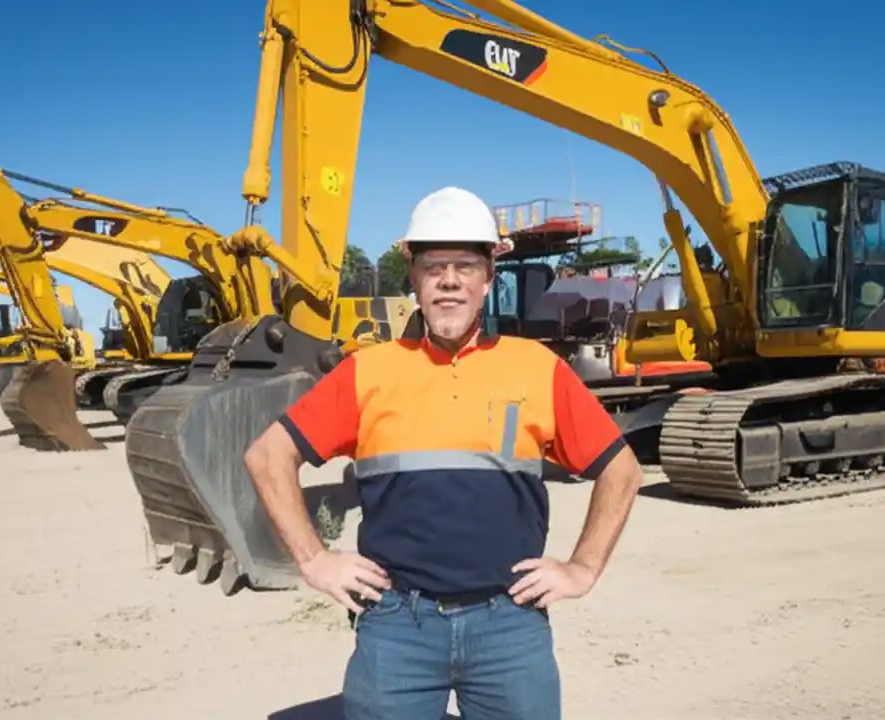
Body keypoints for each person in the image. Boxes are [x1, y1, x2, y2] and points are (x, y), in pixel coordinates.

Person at [242, 186, 645, 719]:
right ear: (414, 279)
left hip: (510, 624)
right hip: (397, 629)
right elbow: (267, 455)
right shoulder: (369, 370)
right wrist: (315, 560)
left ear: (487, 279)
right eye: (434, 267)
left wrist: (582, 568)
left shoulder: (537, 368)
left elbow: (622, 469)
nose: (450, 281)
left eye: (464, 266)